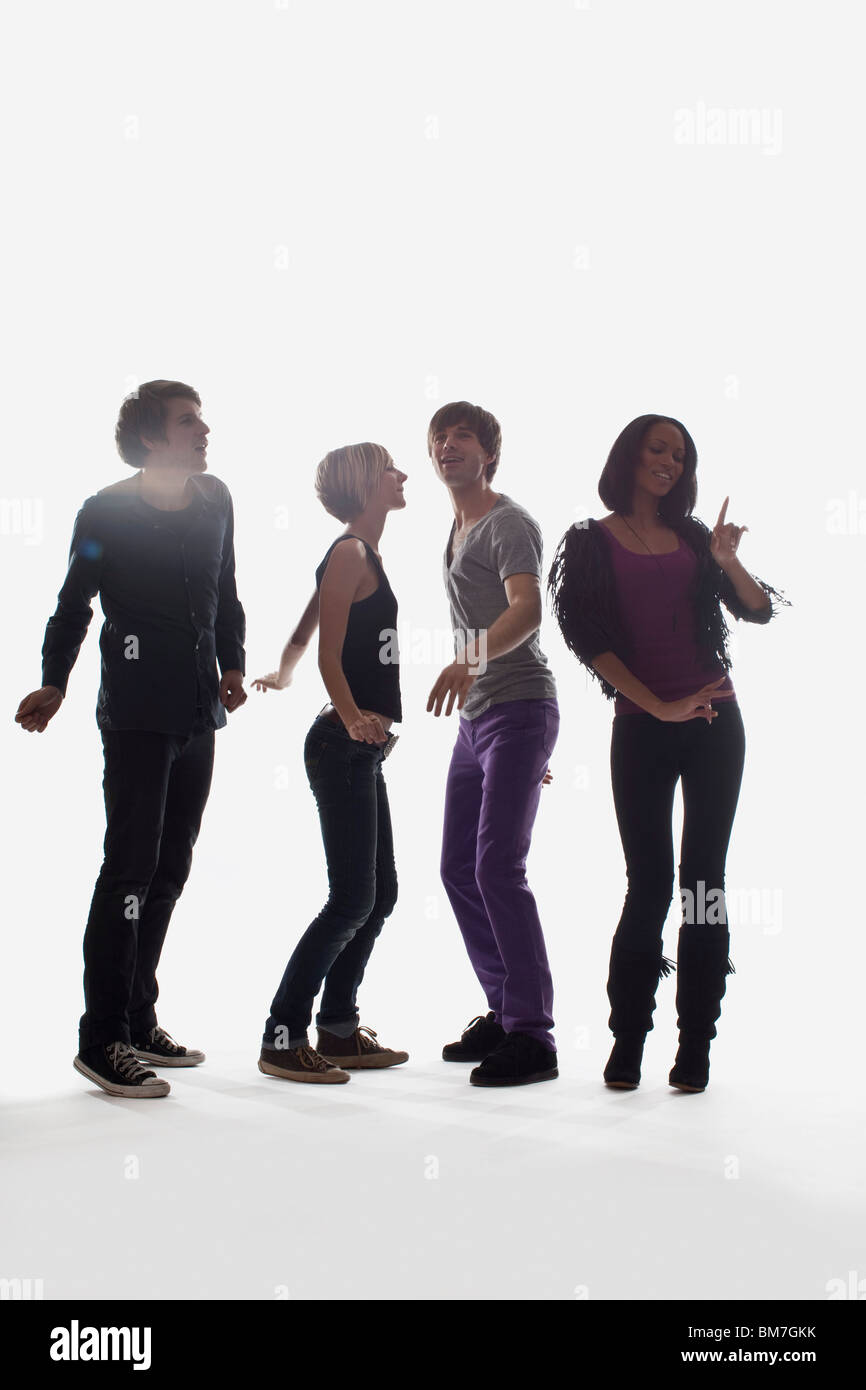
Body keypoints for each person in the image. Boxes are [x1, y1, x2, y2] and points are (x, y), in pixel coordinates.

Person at [16, 380, 247, 1099]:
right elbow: (72, 604)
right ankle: (102, 1038)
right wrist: (53, 682)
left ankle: (140, 1019)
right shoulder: (105, 512)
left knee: (171, 869)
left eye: (202, 419)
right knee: (128, 873)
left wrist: (233, 664)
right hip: (137, 716)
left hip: (199, 715)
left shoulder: (216, 500)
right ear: (151, 438)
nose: (203, 431)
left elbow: (228, 591)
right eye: (188, 423)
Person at [547, 414, 786, 1093]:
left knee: (704, 885)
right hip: (642, 726)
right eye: (659, 449)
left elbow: (759, 610)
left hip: (717, 723)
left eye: (680, 455)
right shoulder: (589, 540)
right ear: (629, 455)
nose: (670, 463)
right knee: (648, 884)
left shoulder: (691, 538)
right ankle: (627, 1042)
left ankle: (696, 1047)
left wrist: (727, 559)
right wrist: (657, 705)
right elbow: (585, 636)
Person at [256, 443, 409, 1084]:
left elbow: (303, 634)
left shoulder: (355, 556)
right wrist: (348, 714)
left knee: (380, 895)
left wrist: (280, 674)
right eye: (391, 469)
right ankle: (282, 1038)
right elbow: (330, 654)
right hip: (341, 744)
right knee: (351, 898)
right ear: (366, 483)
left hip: (358, 748)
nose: (403, 476)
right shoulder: (349, 552)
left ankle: (339, 1031)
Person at [427, 402, 559, 1088]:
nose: (448, 445)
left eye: (463, 437)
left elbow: (529, 609)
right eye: (439, 437)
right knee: (458, 868)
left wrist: (471, 658)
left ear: (489, 455)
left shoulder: (508, 522)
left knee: (497, 868)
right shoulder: (455, 526)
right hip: (476, 722)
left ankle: (533, 1036)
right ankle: (504, 1010)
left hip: (517, 704)